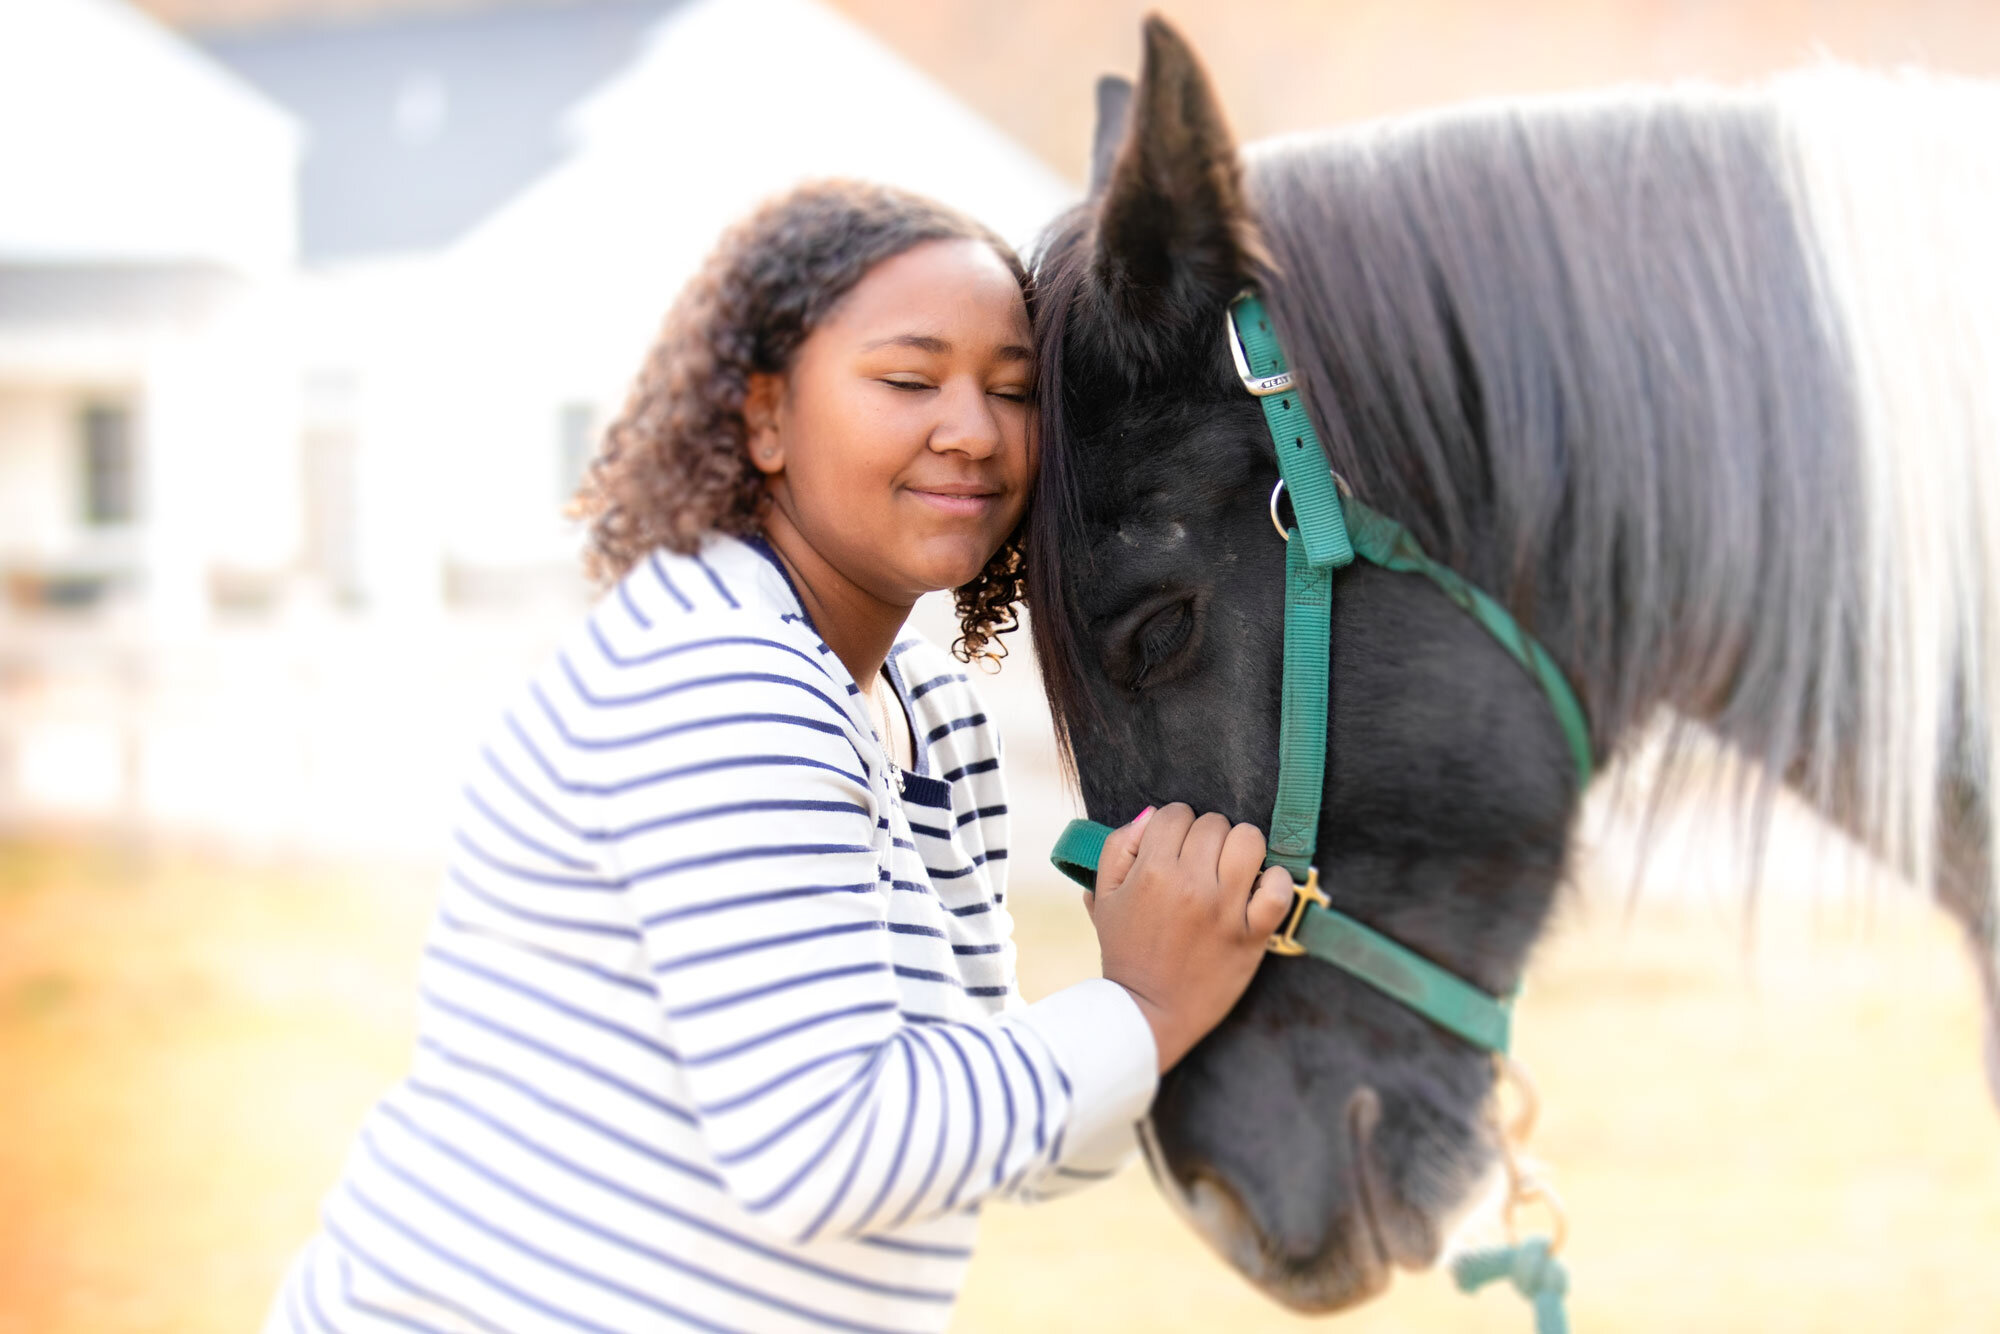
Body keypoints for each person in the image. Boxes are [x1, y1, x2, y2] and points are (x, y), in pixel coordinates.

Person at [264, 179, 1294, 1333]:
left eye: (1011, 391)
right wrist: (1140, 1002)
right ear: (762, 416)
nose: (972, 428)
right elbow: (826, 1148)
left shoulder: (919, 712)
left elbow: (998, 1144)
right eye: (908, 380)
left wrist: (1166, 996)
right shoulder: (720, 679)